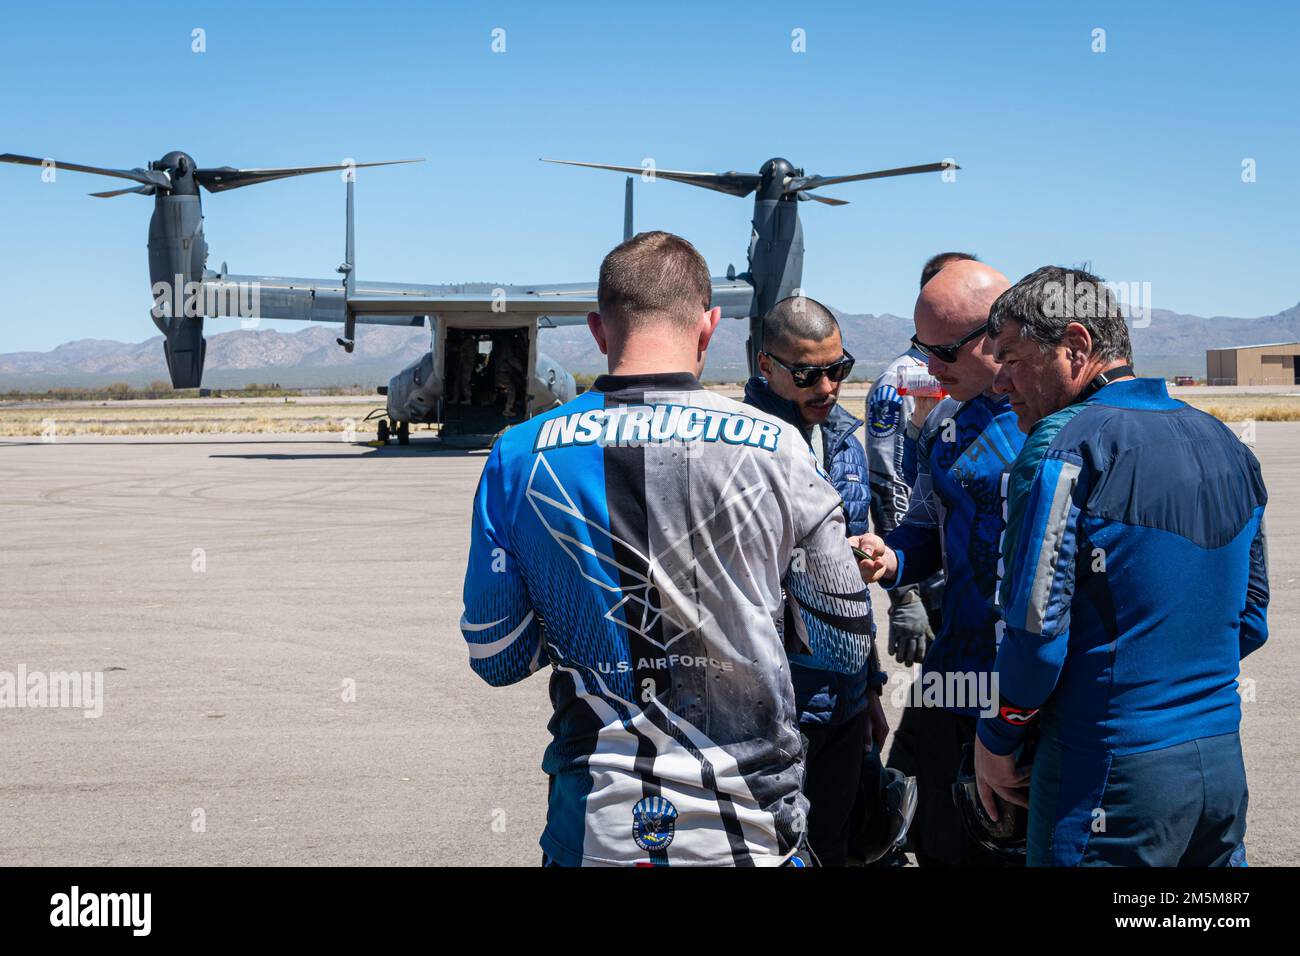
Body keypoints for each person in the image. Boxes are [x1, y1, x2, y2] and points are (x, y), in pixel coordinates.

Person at [459, 231, 876, 866]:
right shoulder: (779, 446)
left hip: (595, 821)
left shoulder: (517, 453)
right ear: (709, 327)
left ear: (599, 330)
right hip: (752, 822)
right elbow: (845, 643)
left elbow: (497, 657)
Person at [976, 266, 1269, 866]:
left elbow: (1036, 636)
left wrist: (995, 738)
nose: (999, 383)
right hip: (1218, 768)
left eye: (1012, 359)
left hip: (1108, 774)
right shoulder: (1228, 444)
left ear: (1076, 346)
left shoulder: (1067, 447)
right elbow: (1252, 618)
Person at [852, 259, 1024, 866]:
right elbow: (927, 522)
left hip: (1020, 682)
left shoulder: (1057, 427)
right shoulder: (946, 419)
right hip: (953, 667)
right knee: (924, 829)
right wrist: (893, 558)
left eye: (944, 352)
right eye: (920, 349)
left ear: (999, 336)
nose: (929, 368)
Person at [741, 294, 888, 866]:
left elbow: (849, 583)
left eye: (838, 369)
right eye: (807, 374)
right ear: (765, 366)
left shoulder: (847, 439)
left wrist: (871, 682)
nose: (827, 387)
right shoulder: (734, 446)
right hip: (765, 705)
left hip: (843, 698)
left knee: (833, 846)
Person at [866, 253, 976, 667]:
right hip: (928, 583)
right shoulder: (900, 382)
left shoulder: (979, 380)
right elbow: (890, 485)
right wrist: (905, 593)